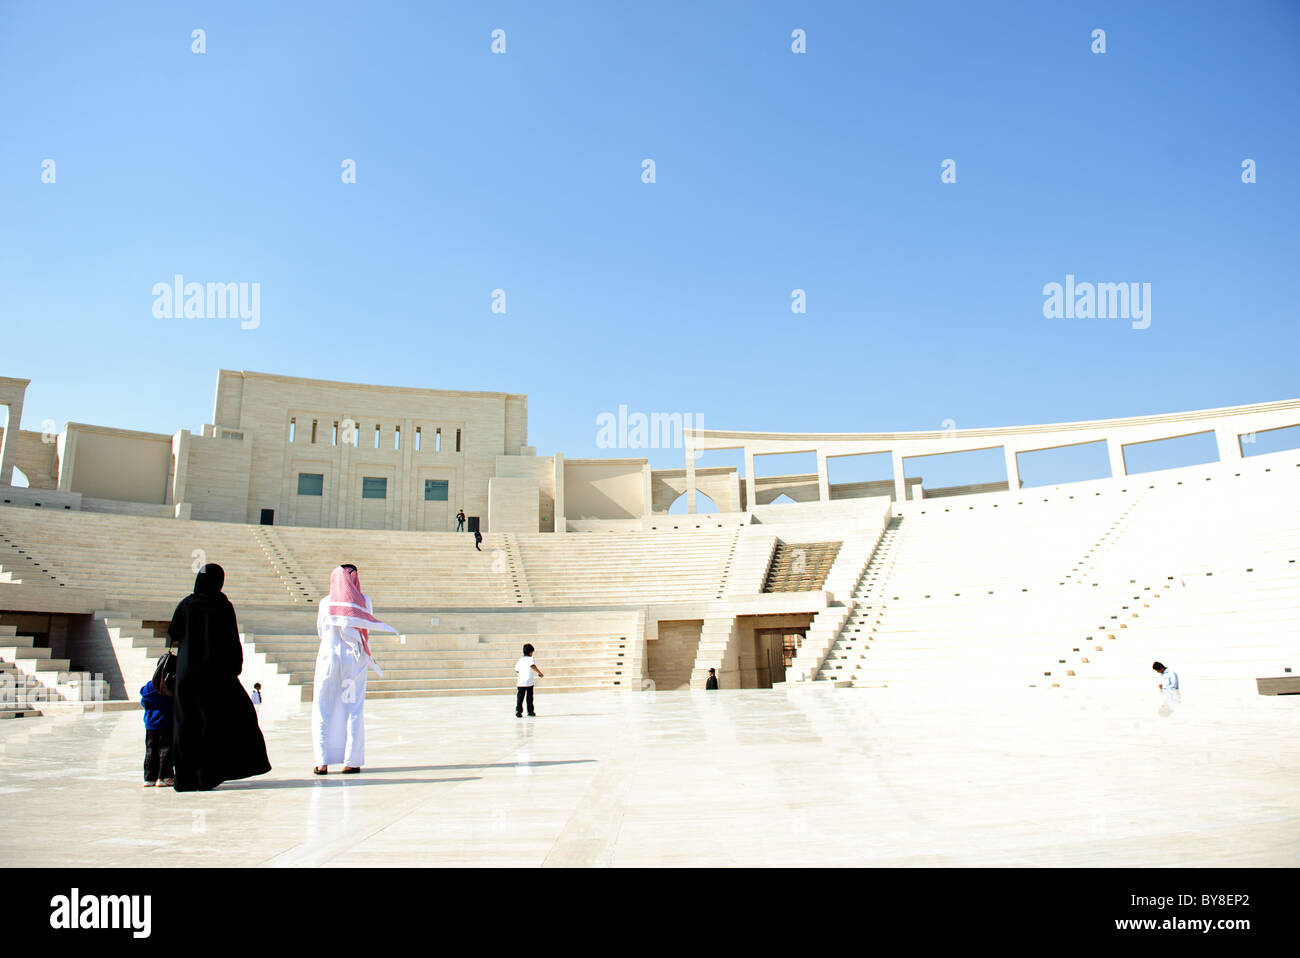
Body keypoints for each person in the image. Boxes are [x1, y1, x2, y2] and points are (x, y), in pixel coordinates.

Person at [169, 564, 271, 791]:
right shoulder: (223, 605)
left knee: (186, 723)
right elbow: (233, 640)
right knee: (213, 724)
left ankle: (184, 779)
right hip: (216, 674)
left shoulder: (187, 604)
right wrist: (235, 667)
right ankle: (207, 775)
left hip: (188, 675)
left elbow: (173, 633)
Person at [313, 564, 397, 775]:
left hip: (329, 658)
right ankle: (351, 760)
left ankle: (321, 761)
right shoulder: (364, 601)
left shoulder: (325, 602)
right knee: (353, 708)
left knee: (323, 707)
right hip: (354, 660)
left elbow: (321, 630)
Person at [140, 678, 175, 787]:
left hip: (151, 725)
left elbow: (143, 702)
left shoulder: (149, 686)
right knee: (166, 751)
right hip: (166, 723)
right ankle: (165, 776)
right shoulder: (168, 686)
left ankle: (149, 778)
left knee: (150, 751)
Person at [515, 643, 543, 718]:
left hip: (520, 682)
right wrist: (540, 673)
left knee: (520, 697)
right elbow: (532, 665)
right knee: (529, 697)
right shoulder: (531, 658)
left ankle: (518, 711)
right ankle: (530, 711)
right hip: (529, 682)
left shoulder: (520, 660)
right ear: (530, 652)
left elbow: (517, 670)